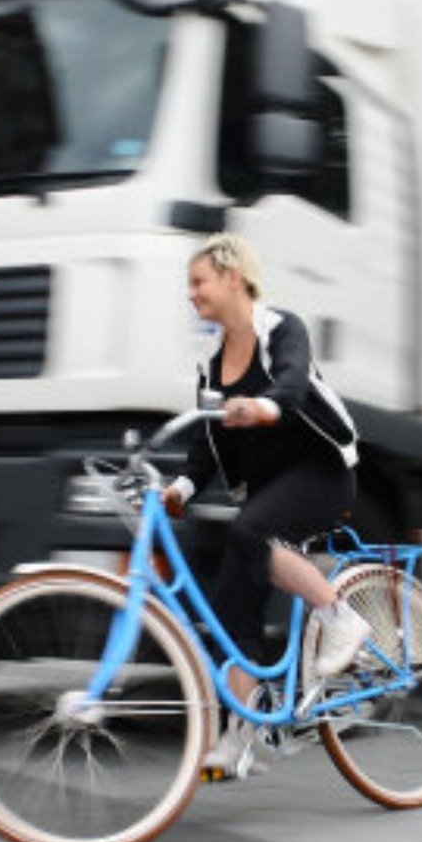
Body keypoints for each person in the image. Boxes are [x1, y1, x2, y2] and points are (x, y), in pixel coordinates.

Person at [162, 233, 372, 779]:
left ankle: (342, 620)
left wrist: (261, 407)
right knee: (235, 606)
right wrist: (181, 489)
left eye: (198, 281)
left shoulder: (282, 328)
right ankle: (239, 739)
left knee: (249, 533)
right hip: (268, 491)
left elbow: (294, 385)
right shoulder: (211, 367)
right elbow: (205, 444)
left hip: (323, 474)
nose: (192, 294)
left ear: (235, 278)